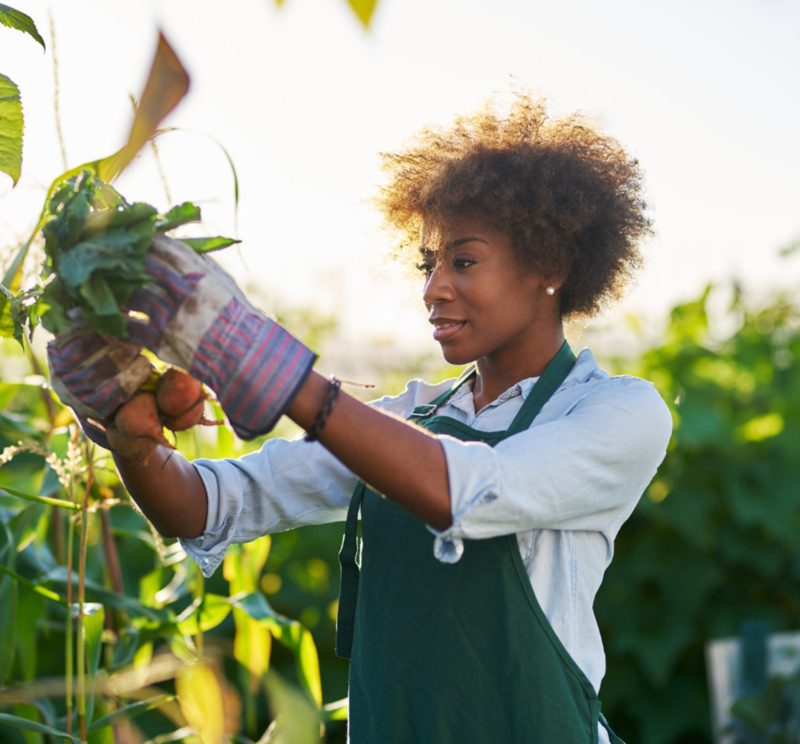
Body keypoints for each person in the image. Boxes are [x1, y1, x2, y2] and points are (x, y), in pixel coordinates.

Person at [47, 94, 672, 743]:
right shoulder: (409, 421)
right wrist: (128, 427)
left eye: (463, 261)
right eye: (427, 266)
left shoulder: (615, 413)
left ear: (550, 267)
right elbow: (205, 506)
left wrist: (272, 370)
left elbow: (468, 489)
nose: (432, 290)